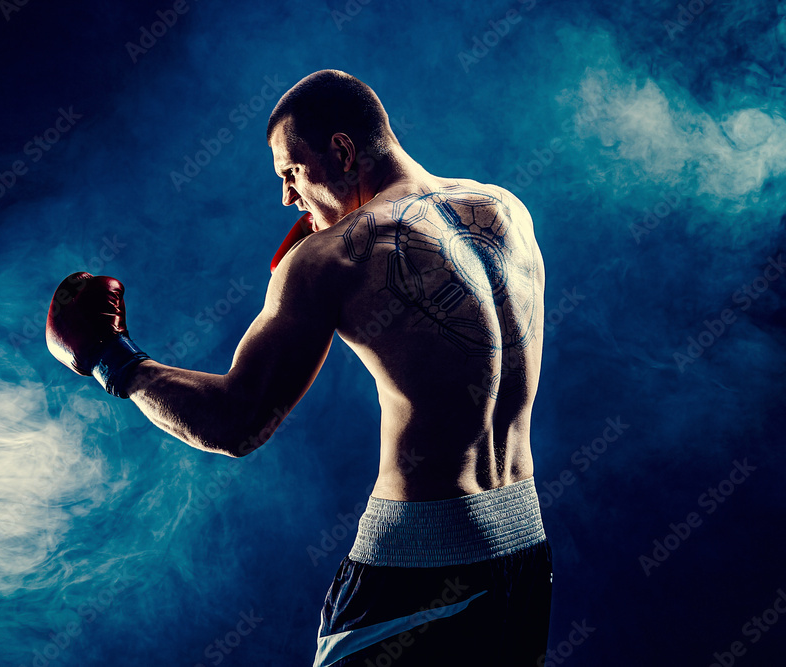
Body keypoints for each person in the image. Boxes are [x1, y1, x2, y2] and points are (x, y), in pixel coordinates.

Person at [46, 69, 552, 666]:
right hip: (523, 548)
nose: (287, 197)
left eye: (291, 172)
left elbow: (236, 424)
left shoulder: (326, 260)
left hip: (417, 569)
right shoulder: (502, 209)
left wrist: (113, 357)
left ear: (341, 150)